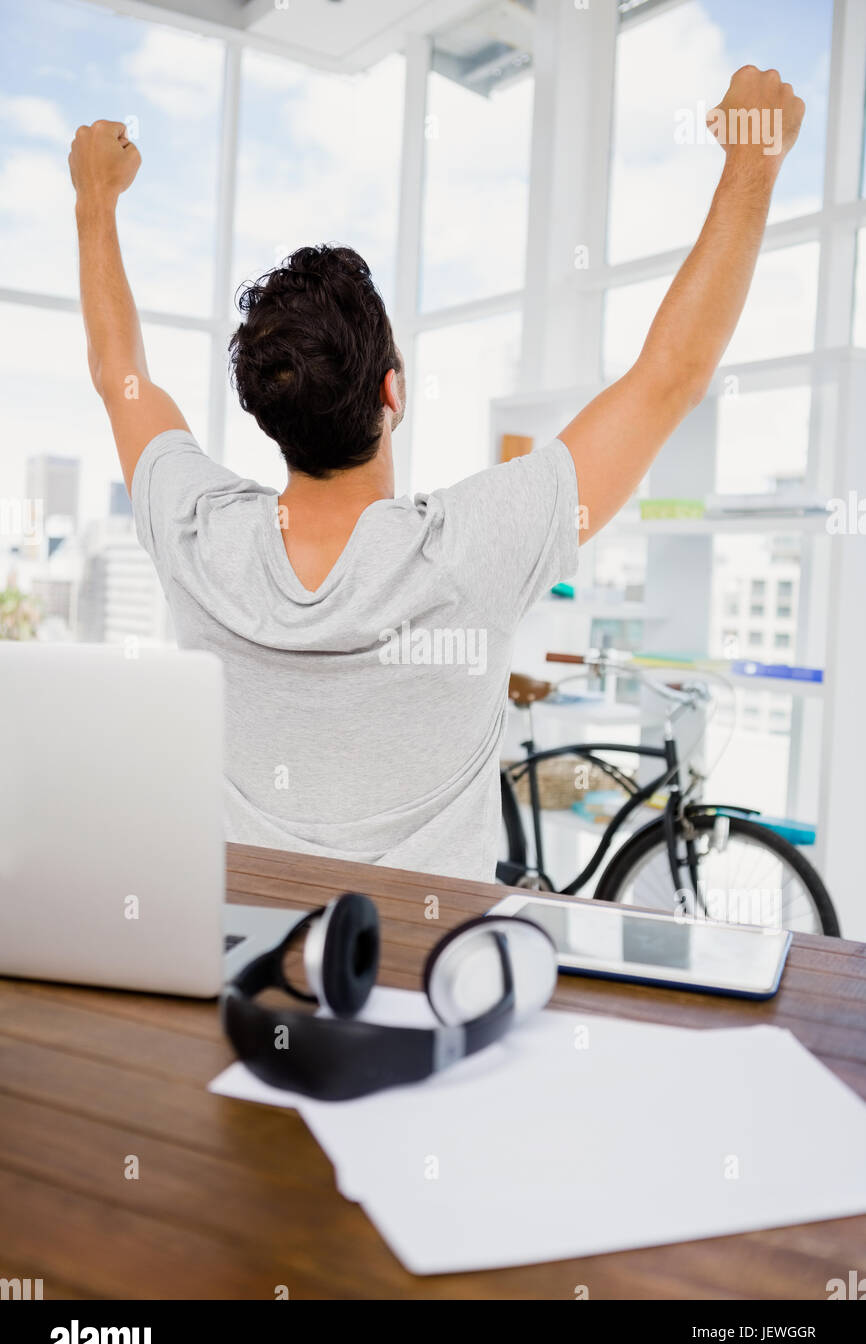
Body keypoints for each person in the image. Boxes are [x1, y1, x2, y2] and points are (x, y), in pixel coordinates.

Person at [67, 66, 804, 881]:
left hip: (247, 976)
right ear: (395, 390)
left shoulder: (197, 533)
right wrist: (752, 161)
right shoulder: (473, 548)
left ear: (266, 412)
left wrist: (95, 200)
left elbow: (116, 370)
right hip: (432, 987)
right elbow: (672, 374)